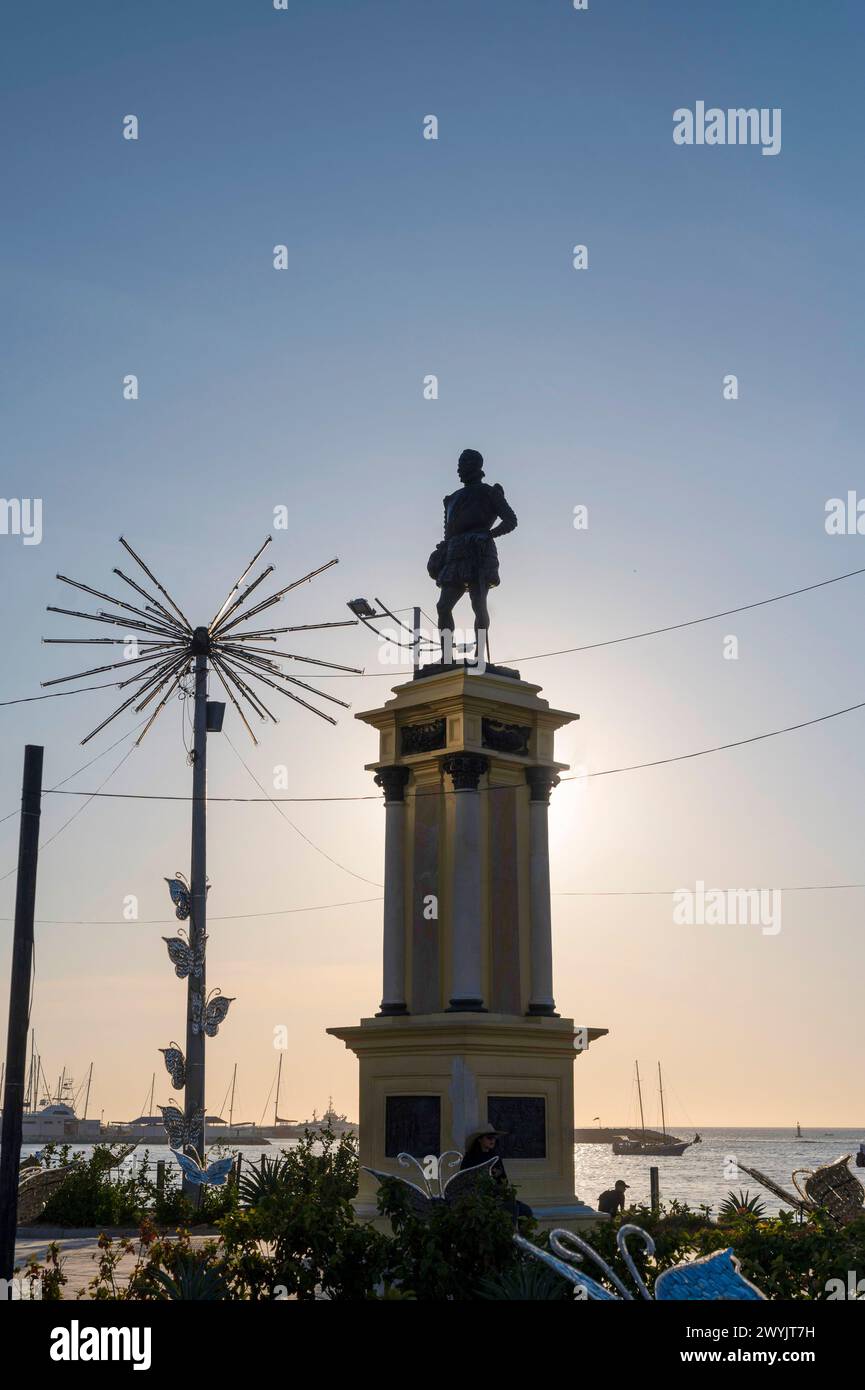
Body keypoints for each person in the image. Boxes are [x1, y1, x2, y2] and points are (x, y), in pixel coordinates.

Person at [428, 449, 518, 662]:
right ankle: (447, 656)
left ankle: (479, 655)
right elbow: (448, 533)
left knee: (478, 604)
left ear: (476, 466)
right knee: (443, 606)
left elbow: (510, 520)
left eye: (464, 463)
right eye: (459, 464)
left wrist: (488, 534)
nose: (460, 468)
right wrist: (442, 549)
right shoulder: (451, 499)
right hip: (455, 551)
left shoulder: (489, 492)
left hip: (479, 550)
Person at [460, 1123, 533, 1219]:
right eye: (489, 1138)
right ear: (479, 1139)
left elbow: (503, 1180)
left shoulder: (495, 1157)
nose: (492, 1140)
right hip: (479, 1199)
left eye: (494, 1138)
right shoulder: (470, 1158)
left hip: (496, 1197)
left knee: (526, 1211)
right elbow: (464, 1181)